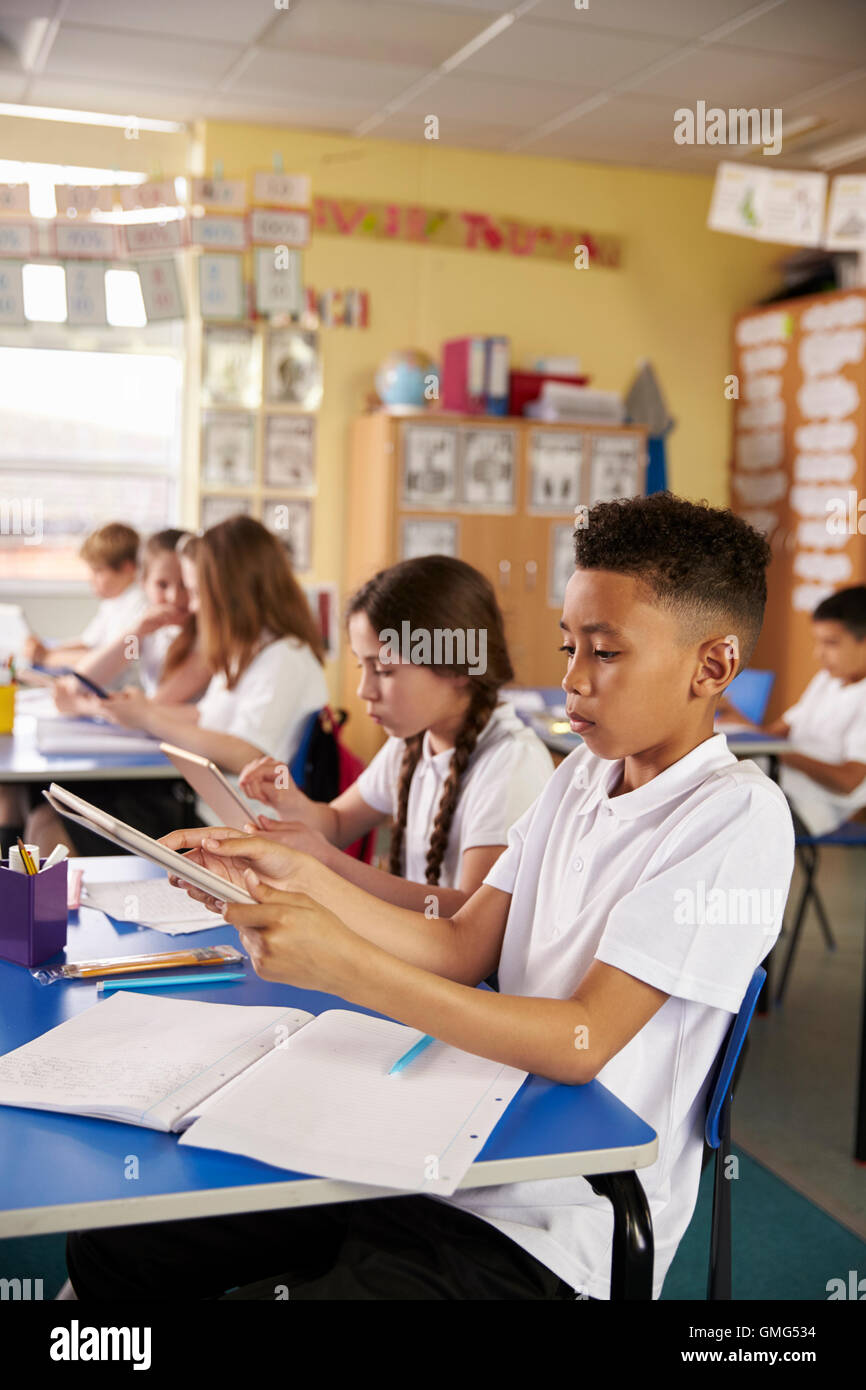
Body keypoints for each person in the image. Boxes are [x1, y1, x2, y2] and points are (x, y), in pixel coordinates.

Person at [65, 492, 795, 1301]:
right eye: (567, 646)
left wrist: (344, 965)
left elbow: (581, 1041)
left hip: (554, 1221)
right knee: (117, 1246)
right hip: (446, 1140)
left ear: (714, 667)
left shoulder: (736, 817)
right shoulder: (581, 777)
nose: (572, 680)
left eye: (605, 653)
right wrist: (302, 876)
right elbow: (461, 943)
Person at [237, 556, 554, 914]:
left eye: (384, 670)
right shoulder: (413, 742)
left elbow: (470, 913)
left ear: (457, 667)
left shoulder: (511, 764)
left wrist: (326, 862)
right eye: (363, 666)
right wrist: (289, 801)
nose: (363, 690)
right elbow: (337, 824)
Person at [721, 585, 866, 835]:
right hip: (771, 782)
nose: (818, 654)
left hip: (809, 807)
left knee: (716, 819)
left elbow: (849, 781)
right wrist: (740, 722)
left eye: (831, 643)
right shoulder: (827, 680)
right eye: (817, 642)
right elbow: (773, 735)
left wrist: (780, 753)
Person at [23, 522, 147, 672]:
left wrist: (48, 658)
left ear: (128, 568)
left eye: (98, 571)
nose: (91, 579)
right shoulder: (114, 602)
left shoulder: (139, 606)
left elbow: (113, 660)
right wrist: (48, 650)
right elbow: (88, 642)